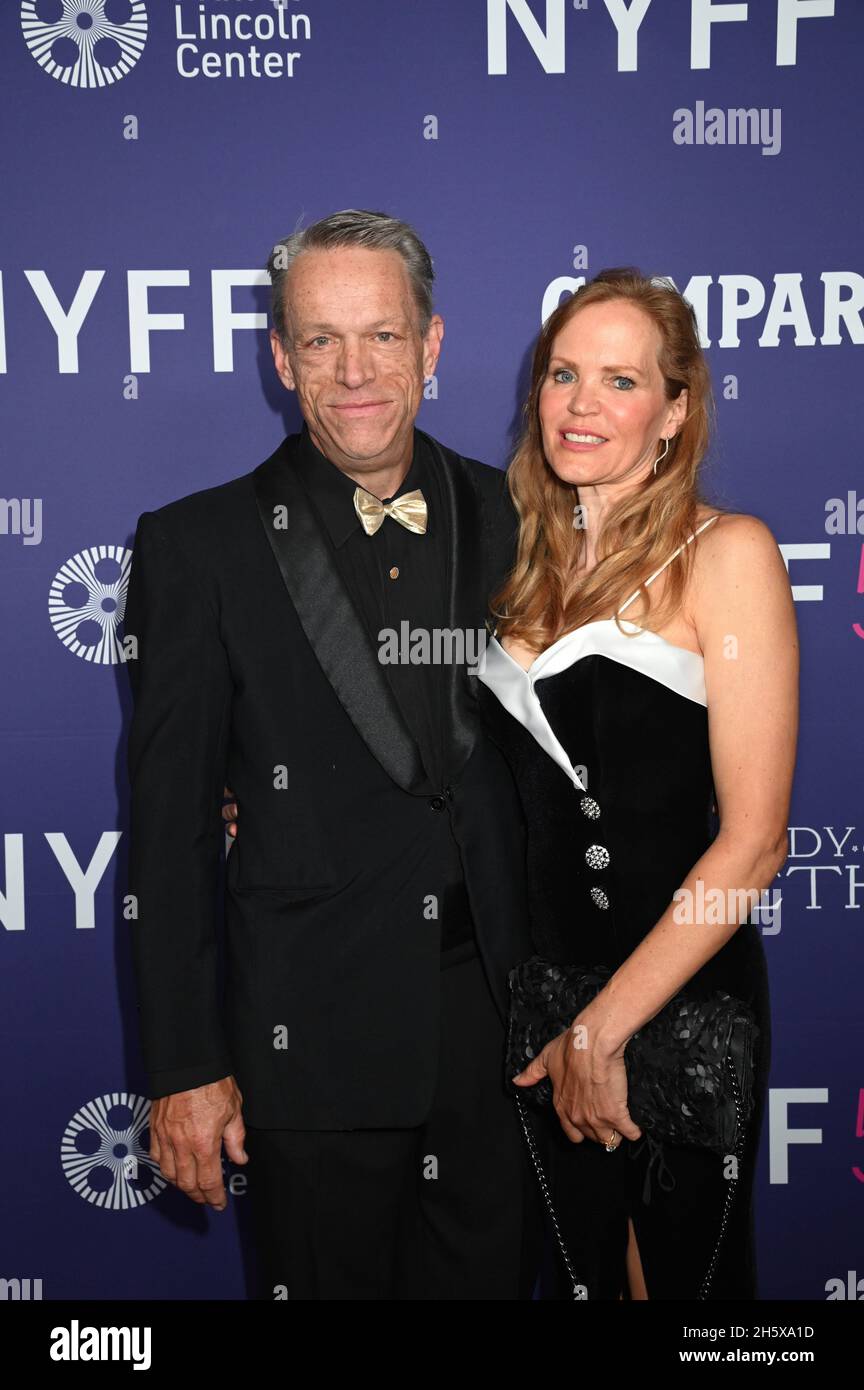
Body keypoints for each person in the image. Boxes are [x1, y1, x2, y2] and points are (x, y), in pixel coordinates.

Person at [124, 210, 538, 1301]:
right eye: (320, 341)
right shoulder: (196, 545)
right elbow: (168, 834)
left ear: (433, 346)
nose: (354, 371)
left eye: (384, 337)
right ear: (280, 358)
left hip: (506, 1037)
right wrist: (185, 1068)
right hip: (306, 1042)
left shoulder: (523, 519)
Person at [475, 268, 798, 1300]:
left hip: (678, 1004)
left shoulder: (727, 554)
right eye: (563, 374)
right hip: (544, 1007)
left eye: (621, 380)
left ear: (675, 409)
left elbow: (753, 844)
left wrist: (606, 1029)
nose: (580, 404)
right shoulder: (516, 561)